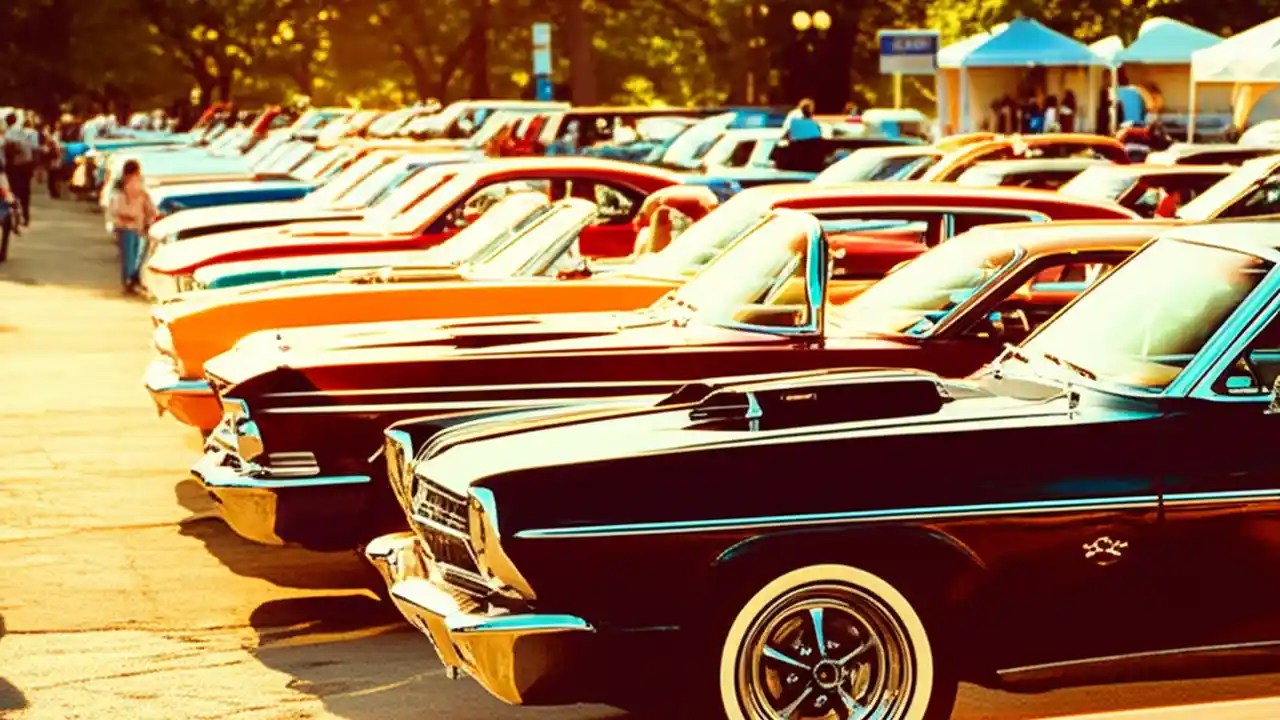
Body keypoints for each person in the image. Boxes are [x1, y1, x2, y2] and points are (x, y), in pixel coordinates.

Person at [107, 159, 156, 292]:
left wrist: (149, 217)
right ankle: (130, 279)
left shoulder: (124, 188)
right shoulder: (126, 188)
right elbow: (119, 208)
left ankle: (131, 278)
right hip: (129, 225)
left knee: (133, 254)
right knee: (132, 254)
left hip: (132, 225)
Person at [4, 112, 38, 226]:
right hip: (26, 163)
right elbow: (33, 148)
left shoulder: (7, 133)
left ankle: (13, 215)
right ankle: (25, 216)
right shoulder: (23, 132)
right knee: (25, 192)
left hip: (13, 166)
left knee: (13, 191)